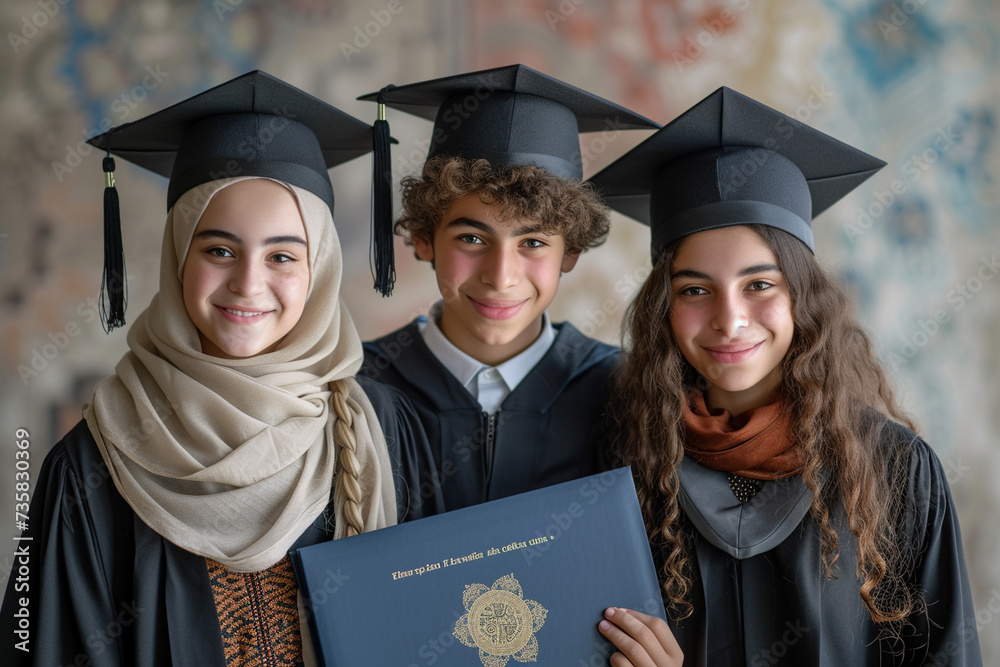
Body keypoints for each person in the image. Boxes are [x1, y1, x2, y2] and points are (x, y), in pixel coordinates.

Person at [0, 71, 438, 666]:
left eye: (283, 255)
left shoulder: (384, 431)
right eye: (219, 250)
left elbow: (441, 629)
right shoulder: (89, 468)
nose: (248, 283)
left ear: (321, 271)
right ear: (178, 255)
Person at [589, 86, 983, 665]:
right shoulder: (627, 461)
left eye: (759, 284)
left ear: (804, 295)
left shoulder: (891, 468)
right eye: (695, 290)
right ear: (662, 310)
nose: (729, 320)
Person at [357, 64, 659, 515]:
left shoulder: (624, 392)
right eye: (472, 239)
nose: (501, 276)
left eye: (533, 243)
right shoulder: (357, 387)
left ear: (570, 252)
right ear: (424, 238)